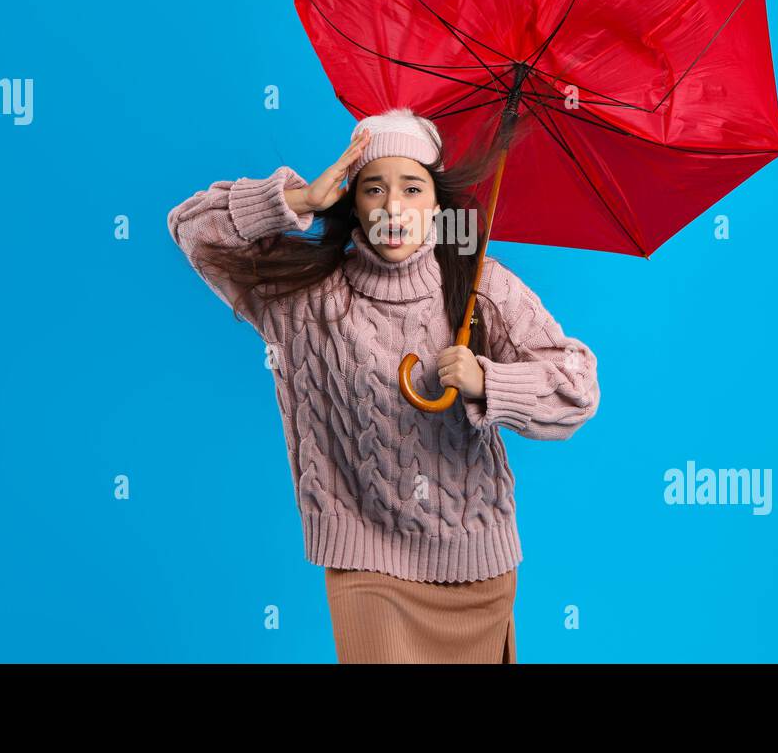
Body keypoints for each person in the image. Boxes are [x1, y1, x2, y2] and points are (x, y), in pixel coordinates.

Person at [166, 107, 601, 663]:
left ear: (438, 204)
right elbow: (192, 230)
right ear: (353, 201)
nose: (393, 208)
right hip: (366, 563)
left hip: (476, 565)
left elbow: (577, 389)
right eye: (374, 188)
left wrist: (488, 382)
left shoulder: (478, 286)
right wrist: (297, 200)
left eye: (413, 188)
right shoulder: (306, 296)